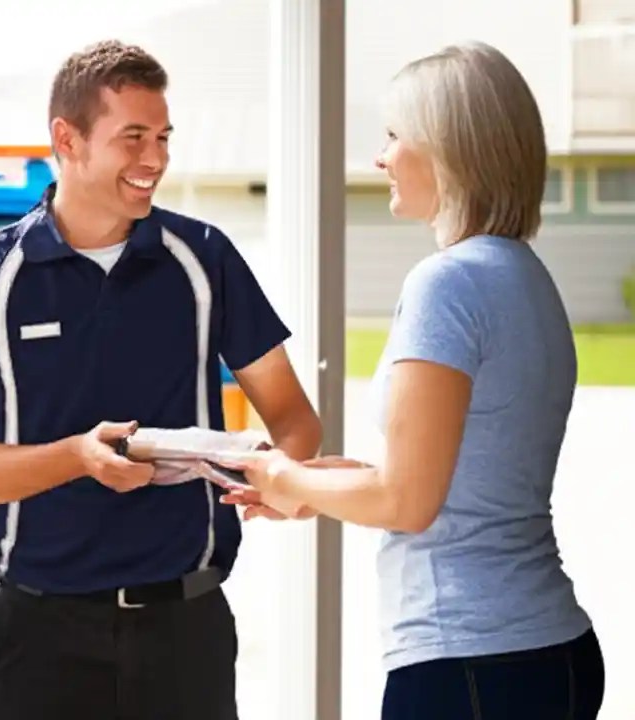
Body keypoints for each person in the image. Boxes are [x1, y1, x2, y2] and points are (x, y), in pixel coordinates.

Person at [0, 39, 322, 720]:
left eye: (163, 137)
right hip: (39, 638)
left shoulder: (205, 260)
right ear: (66, 139)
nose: (155, 159)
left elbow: (293, 417)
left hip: (186, 630)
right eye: (133, 137)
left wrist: (282, 479)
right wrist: (77, 458)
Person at [217, 41, 606, 720]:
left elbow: (406, 501)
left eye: (395, 136)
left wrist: (285, 478)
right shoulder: (525, 276)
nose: (381, 157)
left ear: (449, 149)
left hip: (471, 663)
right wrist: (320, 488)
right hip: (552, 651)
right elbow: (456, 476)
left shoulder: (448, 283)